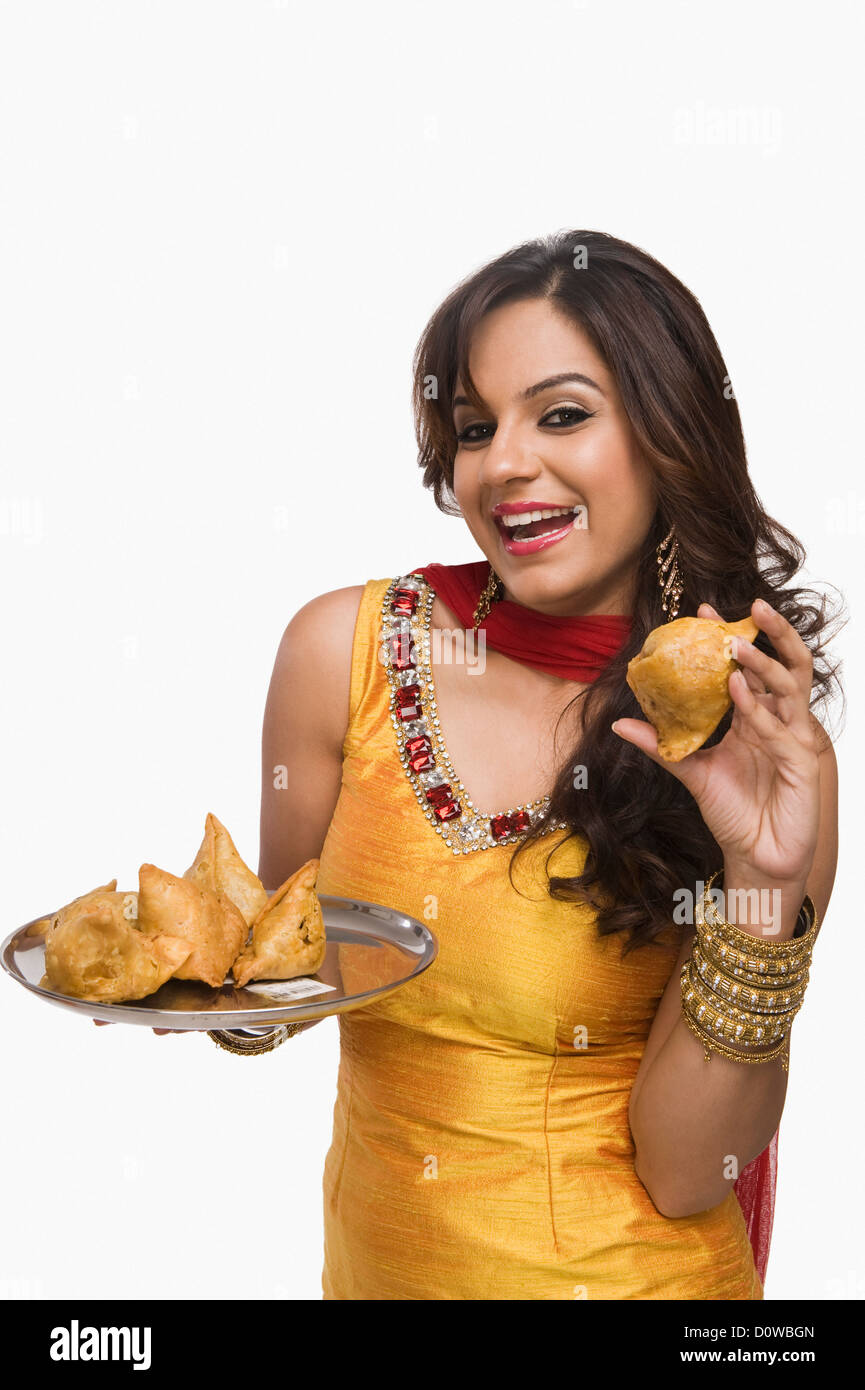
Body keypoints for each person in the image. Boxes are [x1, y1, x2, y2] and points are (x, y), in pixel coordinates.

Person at [226, 231, 843, 1297]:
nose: (502, 462)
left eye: (560, 414)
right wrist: (192, 987)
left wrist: (761, 880)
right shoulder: (343, 656)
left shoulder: (756, 745)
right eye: (473, 427)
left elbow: (693, 1170)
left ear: (667, 437)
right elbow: (279, 977)